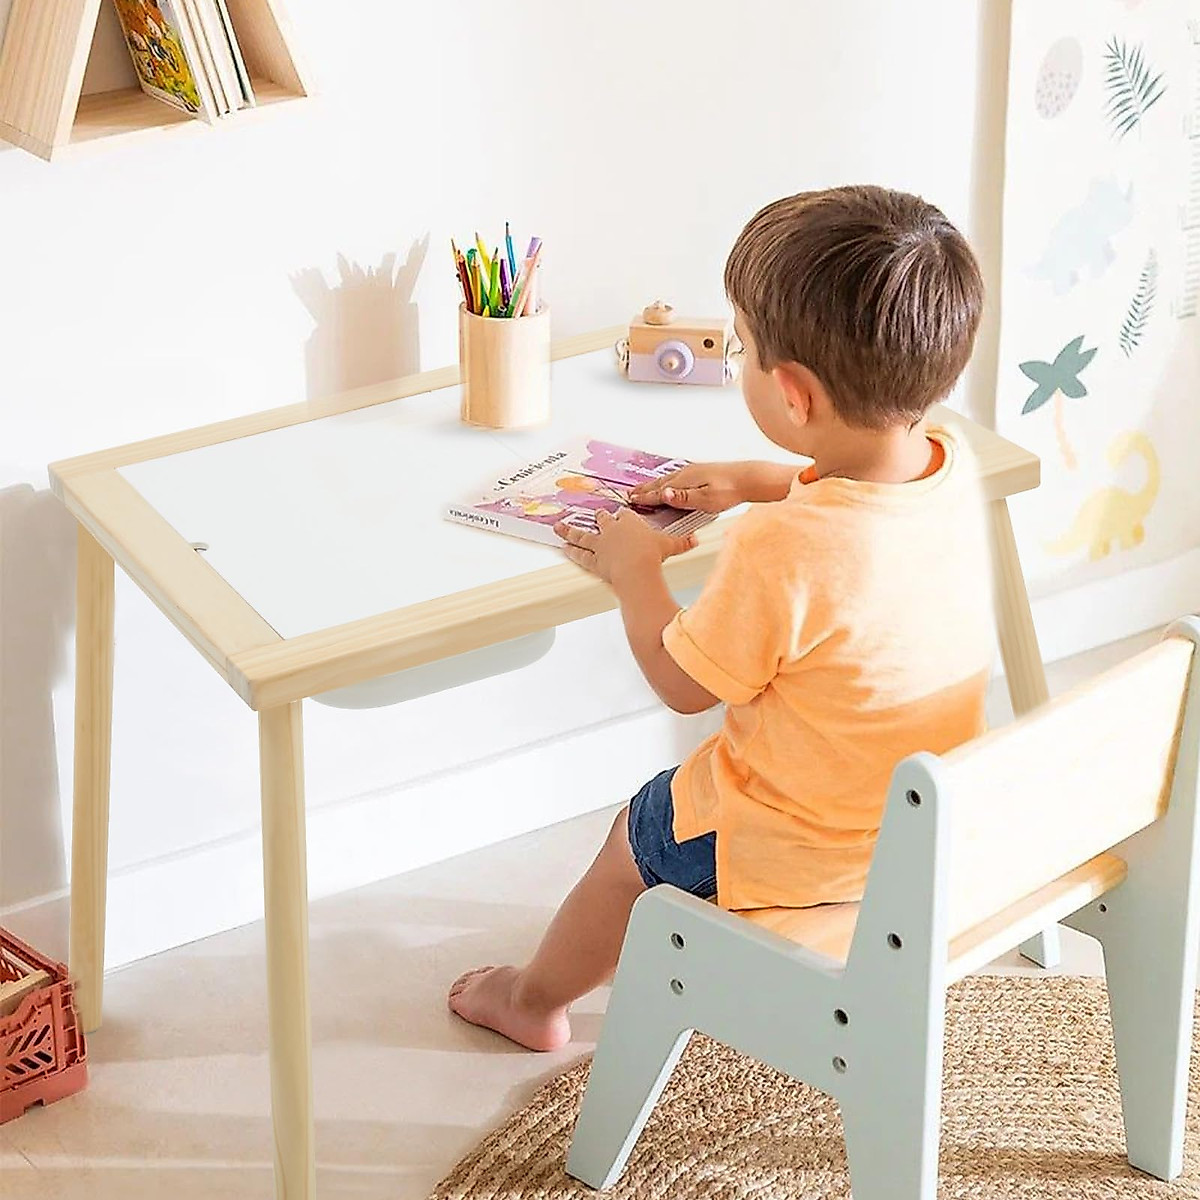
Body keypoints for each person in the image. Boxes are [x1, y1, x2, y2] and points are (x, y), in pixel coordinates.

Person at [448, 185, 995, 1051]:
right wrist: (752, 475)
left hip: (798, 845)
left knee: (638, 835)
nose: (736, 361)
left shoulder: (783, 549)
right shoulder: (948, 463)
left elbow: (682, 683)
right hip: (915, 824)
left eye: (738, 348)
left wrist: (635, 575)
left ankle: (531, 998)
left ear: (793, 395)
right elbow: (859, 493)